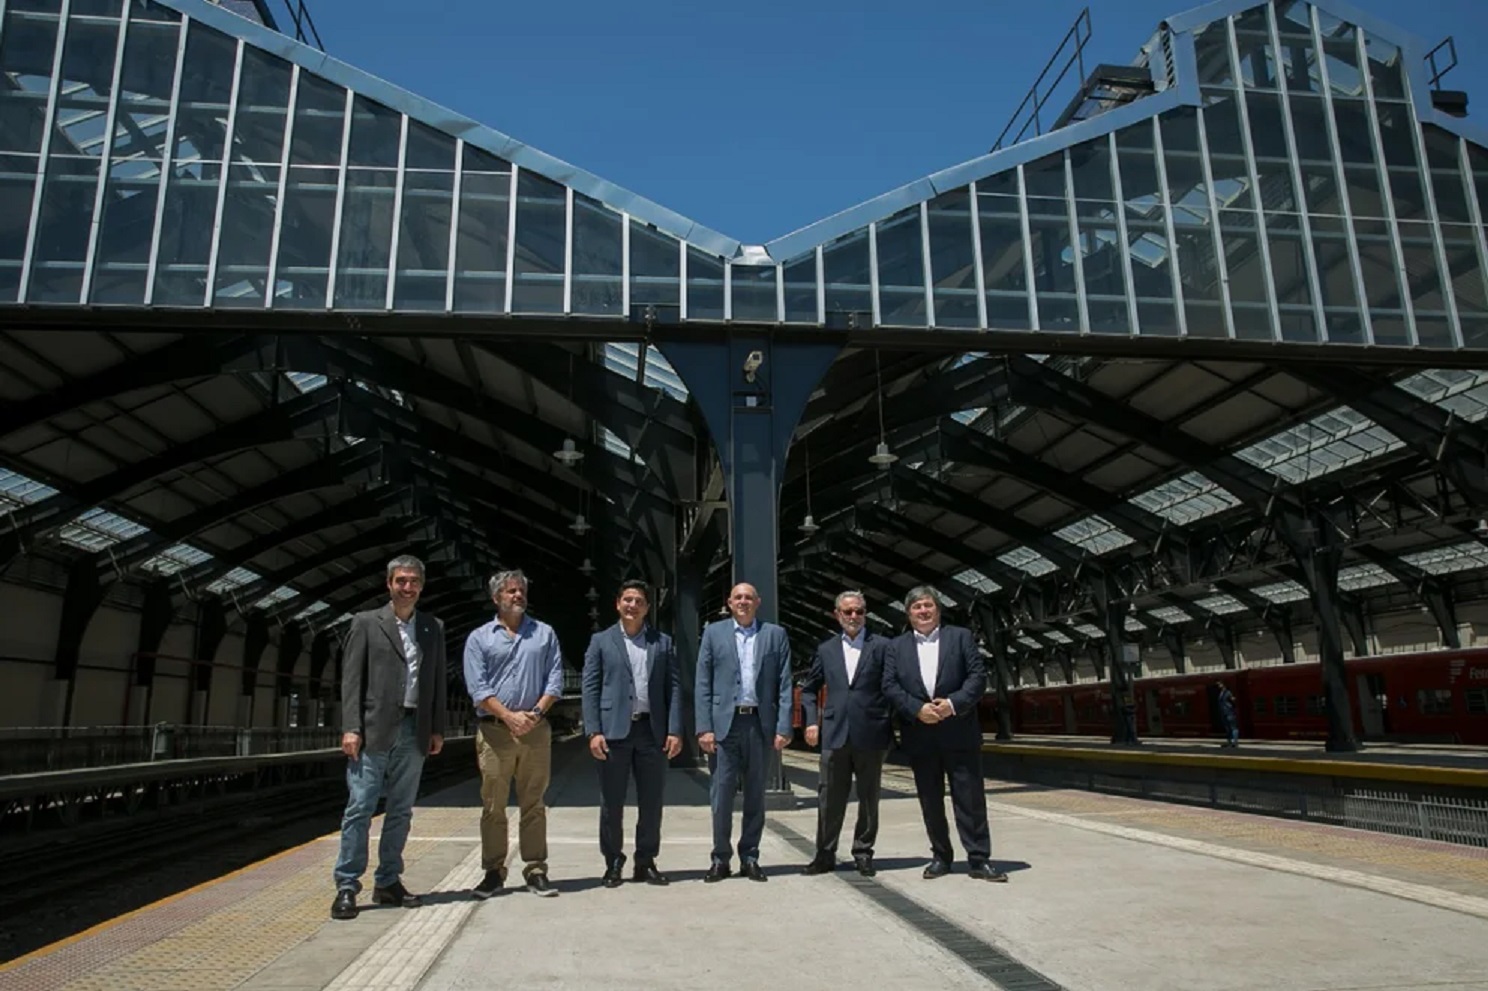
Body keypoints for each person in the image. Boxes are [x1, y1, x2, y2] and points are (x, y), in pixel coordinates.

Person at [331, 554, 447, 920]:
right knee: (360, 808)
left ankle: (388, 882)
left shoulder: (433, 627)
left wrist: (437, 728)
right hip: (373, 729)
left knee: (400, 810)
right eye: (401, 581)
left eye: (413, 581)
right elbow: (351, 680)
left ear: (422, 586)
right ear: (389, 584)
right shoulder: (366, 623)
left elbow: (438, 682)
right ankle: (347, 885)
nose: (407, 587)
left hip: (415, 729)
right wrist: (351, 727)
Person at [882, 585, 1007, 883]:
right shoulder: (895, 647)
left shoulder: (960, 637)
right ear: (908, 614)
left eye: (928, 606)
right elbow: (889, 685)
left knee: (970, 797)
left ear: (938, 610)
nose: (923, 611)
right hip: (920, 733)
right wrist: (916, 710)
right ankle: (941, 856)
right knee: (930, 799)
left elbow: (977, 677)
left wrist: (953, 704)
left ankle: (979, 859)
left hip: (959, 731)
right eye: (917, 607)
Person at [463, 570, 564, 899]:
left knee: (533, 803)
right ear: (496, 598)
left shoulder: (545, 634)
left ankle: (535, 869)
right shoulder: (479, 639)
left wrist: (534, 714)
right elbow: (478, 689)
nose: (517, 595)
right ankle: (493, 872)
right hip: (494, 733)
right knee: (493, 805)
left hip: (535, 730)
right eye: (510, 591)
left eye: (521, 590)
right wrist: (508, 716)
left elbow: (555, 680)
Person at [581, 579, 683, 887]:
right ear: (618, 604)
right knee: (612, 801)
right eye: (627, 599)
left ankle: (646, 861)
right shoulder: (601, 641)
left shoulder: (662, 642)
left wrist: (675, 730)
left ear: (647, 608)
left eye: (639, 600)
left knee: (651, 801)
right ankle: (613, 862)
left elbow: (674, 688)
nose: (632, 605)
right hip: (613, 733)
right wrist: (593, 730)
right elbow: (590, 687)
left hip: (651, 731)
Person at [695, 582, 793, 882]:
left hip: (759, 725)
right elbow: (703, 682)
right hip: (725, 726)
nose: (743, 601)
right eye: (738, 597)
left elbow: (785, 683)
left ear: (757, 602)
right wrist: (704, 728)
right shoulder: (713, 634)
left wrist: (783, 726)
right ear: (729, 601)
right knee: (721, 797)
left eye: (749, 597)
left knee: (755, 796)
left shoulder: (775, 635)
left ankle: (750, 857)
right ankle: (720, 858)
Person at [800, 590, 892, 877]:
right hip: (834, 733)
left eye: (859, 611)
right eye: (848, 612)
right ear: (837, 615)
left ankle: (863, 852)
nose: (854, 617)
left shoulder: (883, 647)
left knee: (869, 796)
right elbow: (809, 688)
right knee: (829, 797)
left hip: (871, 733)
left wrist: (888, 720)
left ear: (865, 614)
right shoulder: (826, 650)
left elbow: (893, 686)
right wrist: (811, 722)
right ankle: (824, 854)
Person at [1216, 681, 1239, 747]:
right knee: (1227, 728)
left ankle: (1235, 742)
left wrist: (1232, 701)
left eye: (1220, 684)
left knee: (1233, 727)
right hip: (1224, 712)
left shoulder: (1228, 692)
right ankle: (1230, 741)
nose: (1218, 685)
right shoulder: (1221, 693)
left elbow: (1233, 699)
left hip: (1229, 712)